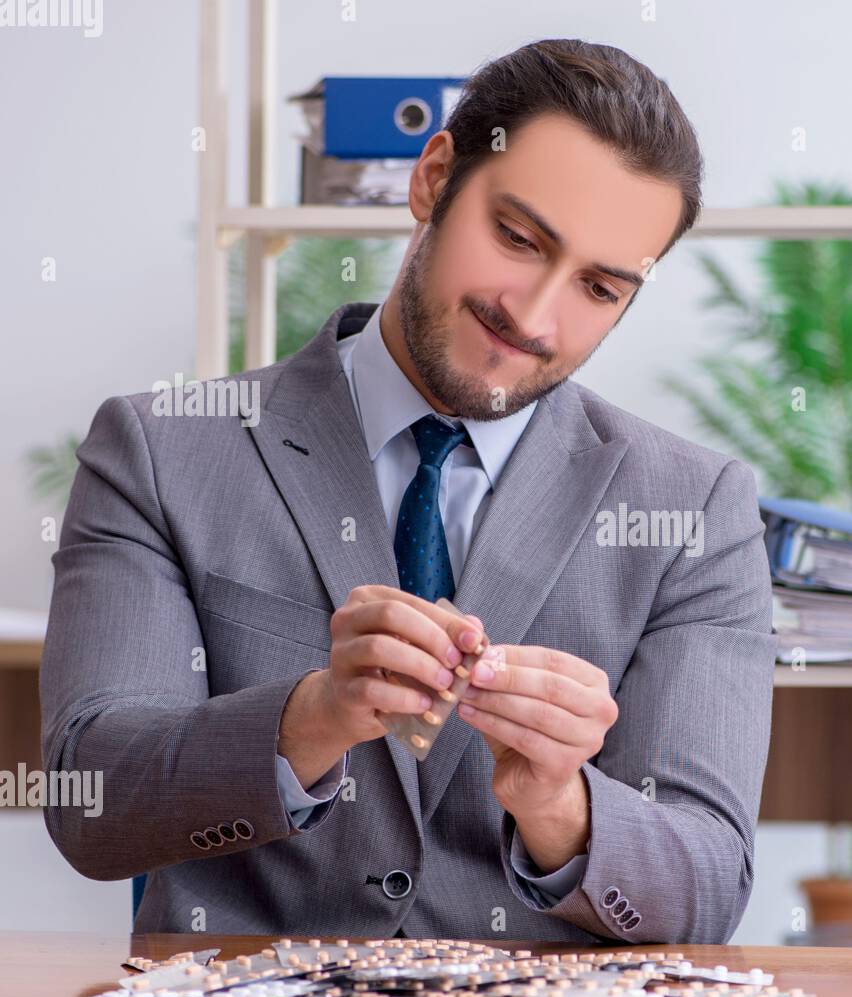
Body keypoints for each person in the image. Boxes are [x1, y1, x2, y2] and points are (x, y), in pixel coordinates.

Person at [40, 38, 775, 943]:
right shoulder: (163, 451)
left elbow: (705, 891)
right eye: (517, 237)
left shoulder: (695, 511)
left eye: (597, 286)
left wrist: (559, 805)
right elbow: (91, 803)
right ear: (433, 180)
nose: (534, 317)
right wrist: (310, 718)